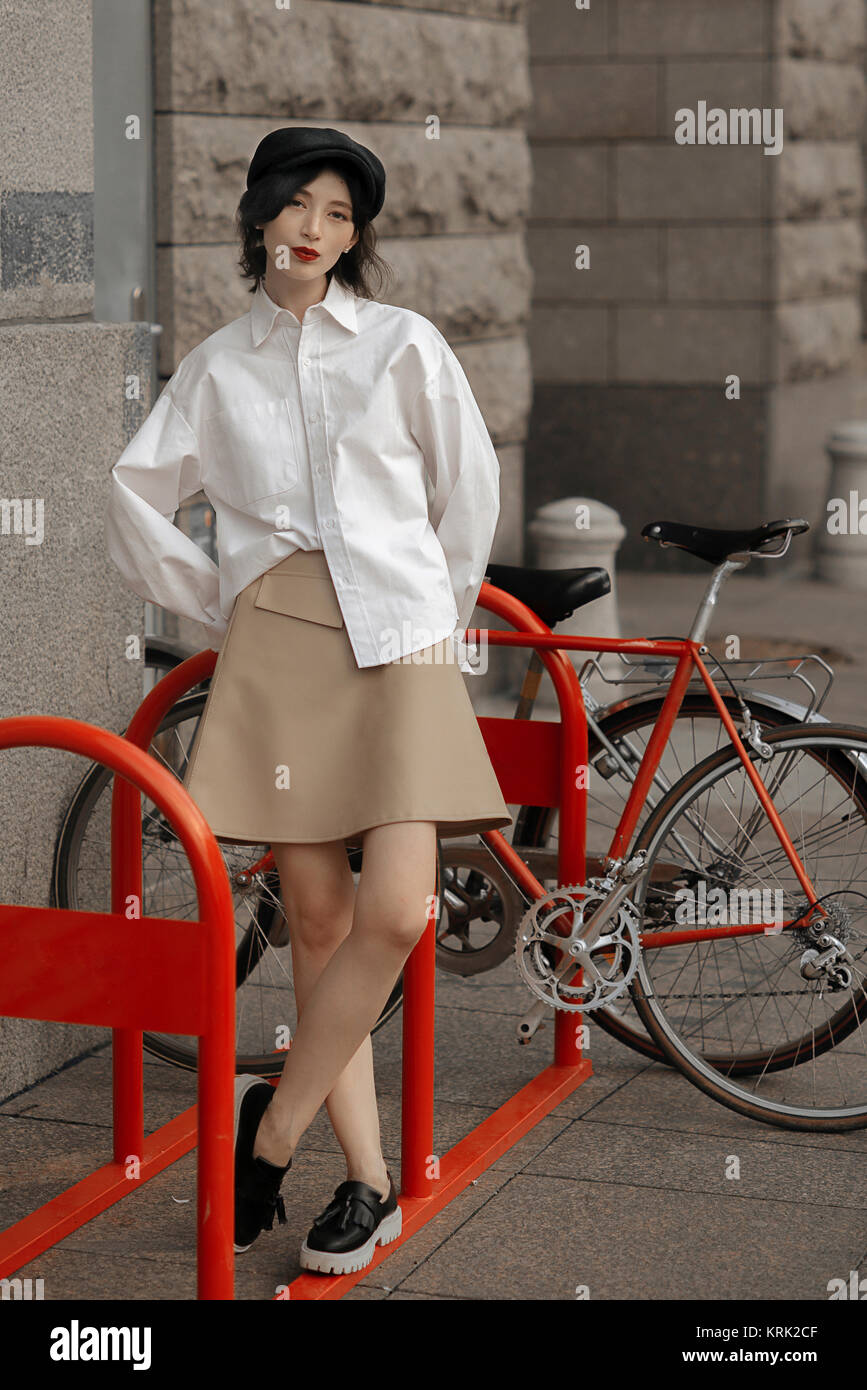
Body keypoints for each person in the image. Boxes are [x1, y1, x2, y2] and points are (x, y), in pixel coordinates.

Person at [104, 126, 512, 1278]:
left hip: (398, 641)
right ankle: (368, 1183)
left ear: (353, 237)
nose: (315, 229)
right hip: (279, 647)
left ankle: (269, 1132)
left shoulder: (402, 345)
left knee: (397, 912)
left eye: (338, 214)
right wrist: (229, 597)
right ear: (260, 217)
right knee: (322, 923)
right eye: (299, 205)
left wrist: (439, 609)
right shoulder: (217, 367)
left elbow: (466, 484)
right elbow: (133, 499)